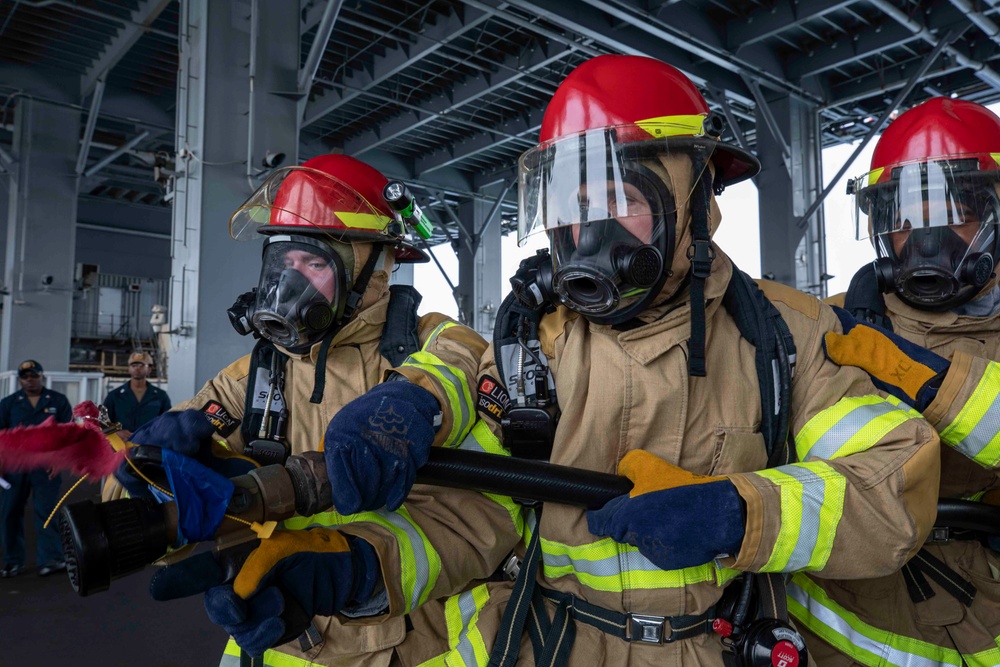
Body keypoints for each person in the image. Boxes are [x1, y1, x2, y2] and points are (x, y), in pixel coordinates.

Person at [329, 54, 943, 666]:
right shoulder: (532, 345)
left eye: (619, 198)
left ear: (693, 203)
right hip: (557, 645)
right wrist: (360, 567)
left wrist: (745, 512)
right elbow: (480, 507)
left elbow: (894, 485)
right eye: (573, 207)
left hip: (721, 642)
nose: (588, 235)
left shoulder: (786, 335)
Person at [105, 154, 522, 666]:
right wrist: (147, 476)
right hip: (286, 648)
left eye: (316, 262)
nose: (290, 282)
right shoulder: (252, 379)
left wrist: (361, 569)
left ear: (379, 267)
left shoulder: (438, 348)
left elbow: (490, 516)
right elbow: (131, 510)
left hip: (421, 649)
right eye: (284, 262)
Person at [798, 97, 1000, 666]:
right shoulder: (831, 324)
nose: (924, 239)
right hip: (844, 625)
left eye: (954, 212)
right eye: (905, 217)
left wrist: (923, 379)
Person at [0, 360, 72, 577]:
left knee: (47, 512)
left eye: (34, 376)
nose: (29, 380)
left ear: (42, 376)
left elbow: (68, 434)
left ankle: (51, 559)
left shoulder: (57, 401)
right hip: (15, 467)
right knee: (9, 513)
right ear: (20, 379)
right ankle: (13, 561)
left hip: (45, 466)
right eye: (25, 377)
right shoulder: (9, 403)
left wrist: (60, 460)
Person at [102, 351, 171, 440]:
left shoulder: (160, 396)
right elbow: (102, 422)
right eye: (133, 366)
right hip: (121, 446)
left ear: (149, 369)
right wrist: (116, 432)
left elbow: (168, 422)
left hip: (150, 446)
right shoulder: (115, 396)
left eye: (141, 365)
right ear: (129, 369)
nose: (137, 369)